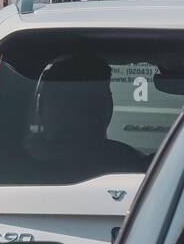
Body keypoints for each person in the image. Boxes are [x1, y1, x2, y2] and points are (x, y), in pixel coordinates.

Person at [20, 51, 146, 184]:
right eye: (67, 100)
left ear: (40, 106)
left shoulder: (13, 165)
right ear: (107, 108)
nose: (79, 110)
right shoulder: (134, 168)